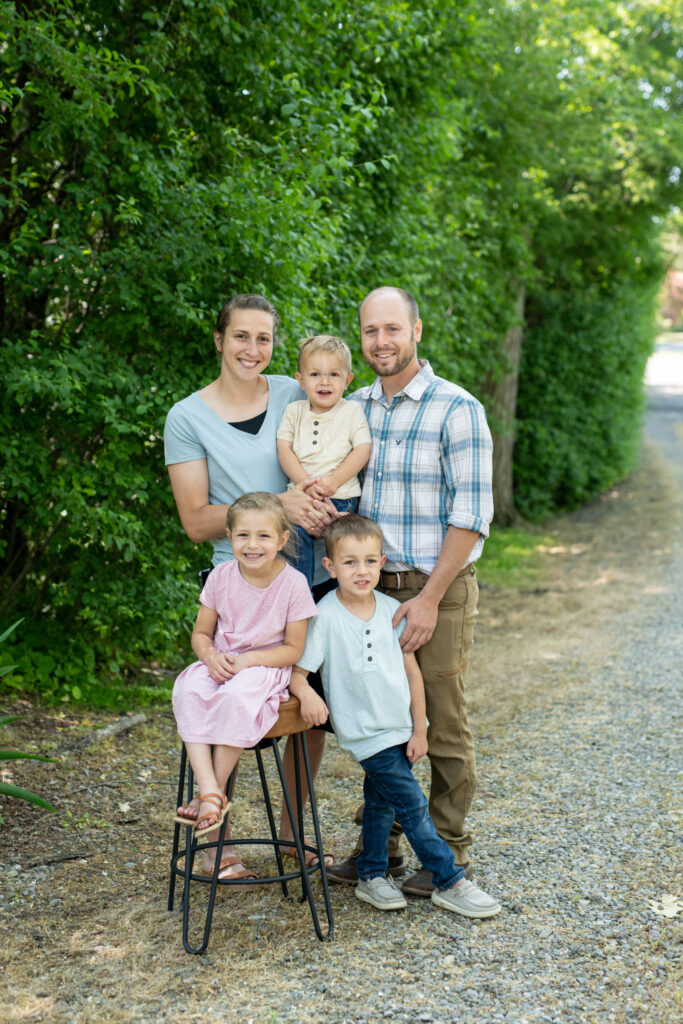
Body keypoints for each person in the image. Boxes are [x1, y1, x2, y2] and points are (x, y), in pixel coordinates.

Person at [326, 286, 494, 896]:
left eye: (392, 328)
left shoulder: (457, 408)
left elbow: (470, 517)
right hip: (367, 591)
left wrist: (426, 600)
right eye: (371, 331)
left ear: (416, 331)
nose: (381, 341)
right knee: (379, 720)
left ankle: (447, 851)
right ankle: (381, 851)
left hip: (437, 589)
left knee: (441, 720)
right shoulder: (352, 410)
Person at [164, 293, 337, 878]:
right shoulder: (187, 417)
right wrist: (278, 507)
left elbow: (339, 441)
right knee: (227, 693)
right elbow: (195, 520)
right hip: (238, 582)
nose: (252, 349)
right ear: (219, 339)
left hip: (308, 576)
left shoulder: (293, 391)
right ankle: (219, 842)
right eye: (241, 336)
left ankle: (291, 836)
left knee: (310, 711)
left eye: (264, 338)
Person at [291, 515, 501, 916]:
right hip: (365, 732)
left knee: (381, 803)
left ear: (382, 563)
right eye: (350, 562)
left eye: (370, 561)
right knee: (412, 806)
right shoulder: (325, 615)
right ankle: (449, 880)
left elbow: (413, 676)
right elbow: (298, 673)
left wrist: (420, 728)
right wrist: (306, 695)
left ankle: (371, 874)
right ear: (330, 567)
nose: (362, 571)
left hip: (400, 728)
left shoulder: (393, 610)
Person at [172, 493, 317, 879]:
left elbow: (293, 649)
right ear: (229, 536)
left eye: (263, 536)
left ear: (282, 539)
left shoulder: (293, 583)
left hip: (265, 666)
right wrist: (209, 657)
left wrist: (250, 660)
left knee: (237, 696)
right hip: (223, 661)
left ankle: (209, 793)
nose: (253, 545)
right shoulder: (221, 576)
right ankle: (211, 791)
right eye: (243, 536)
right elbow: (201, 634)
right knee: (188, 689)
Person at [276, 334, 372, 585]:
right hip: (301, 497)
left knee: (345, 546)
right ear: (301, 380)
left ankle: (346, 595)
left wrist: (334, 480)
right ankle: (300, 596)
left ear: (347, 380)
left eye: (334, 374)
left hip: (341, 497)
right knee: (294, 536)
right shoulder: (294, 411)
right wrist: (304, 483)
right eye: (315, 374)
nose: (325, 382)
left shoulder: (351, 411)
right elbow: (284, 448)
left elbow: (363, 449)